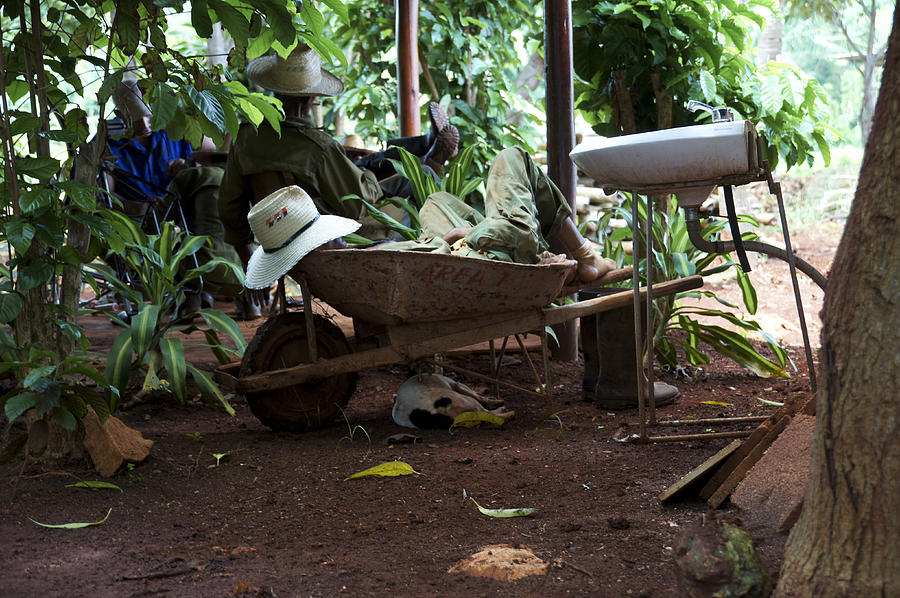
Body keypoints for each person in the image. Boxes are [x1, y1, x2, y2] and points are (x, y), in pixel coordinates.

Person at [218, 45, 459, 274]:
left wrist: (244, 253)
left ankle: (425, 151)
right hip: (328, 235)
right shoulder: (318, 147)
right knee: (420, 179)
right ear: (310, 97)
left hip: (276, 238)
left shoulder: (246, 139)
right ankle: (431, 166)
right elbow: (358, 203)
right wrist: (367, 177)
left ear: (274, 88)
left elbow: (230, 205)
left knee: (388, 168)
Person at [107, 80, 244, 314]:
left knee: (206, 206)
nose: (145, 123)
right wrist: (129, 205)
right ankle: (190, 291)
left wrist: (190, 165)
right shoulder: (111, 144)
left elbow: (214, 164)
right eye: (137, 118)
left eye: (149, 116)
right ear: (119, 114)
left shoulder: (177, 127)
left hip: (187, 218)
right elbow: (107, 196)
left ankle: (199, 288)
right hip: (141, 221)